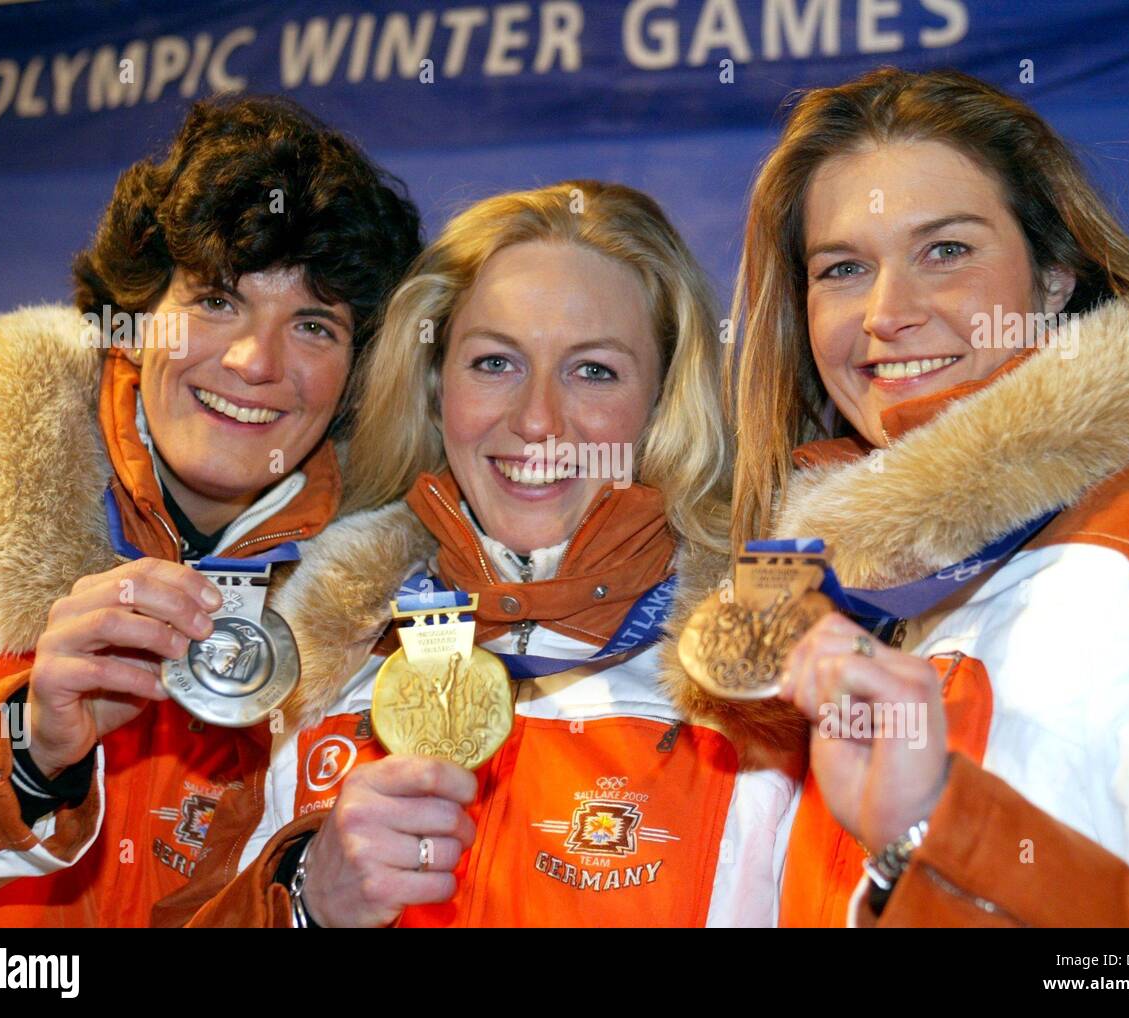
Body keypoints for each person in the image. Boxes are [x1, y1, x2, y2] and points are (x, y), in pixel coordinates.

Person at [152, 181, 803, 928]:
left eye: (595, 371)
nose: (536, 420)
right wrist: (303, 902)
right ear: (433, 384)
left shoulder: (761, 687)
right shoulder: (316, 657)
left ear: (663, 406)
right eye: (495, 363)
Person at [663, 67, 1129, 926]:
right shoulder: (826, 598)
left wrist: (939, 830)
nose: (888, 312)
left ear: (1055, 277)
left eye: (947, 251)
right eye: (844, 268)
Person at [0, 95, 421, 926]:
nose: (253, 361)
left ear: (358, 378)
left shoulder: (384, 616)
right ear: (131, 315)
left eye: (312, 324)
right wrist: (21, 750)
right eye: (217, 300)